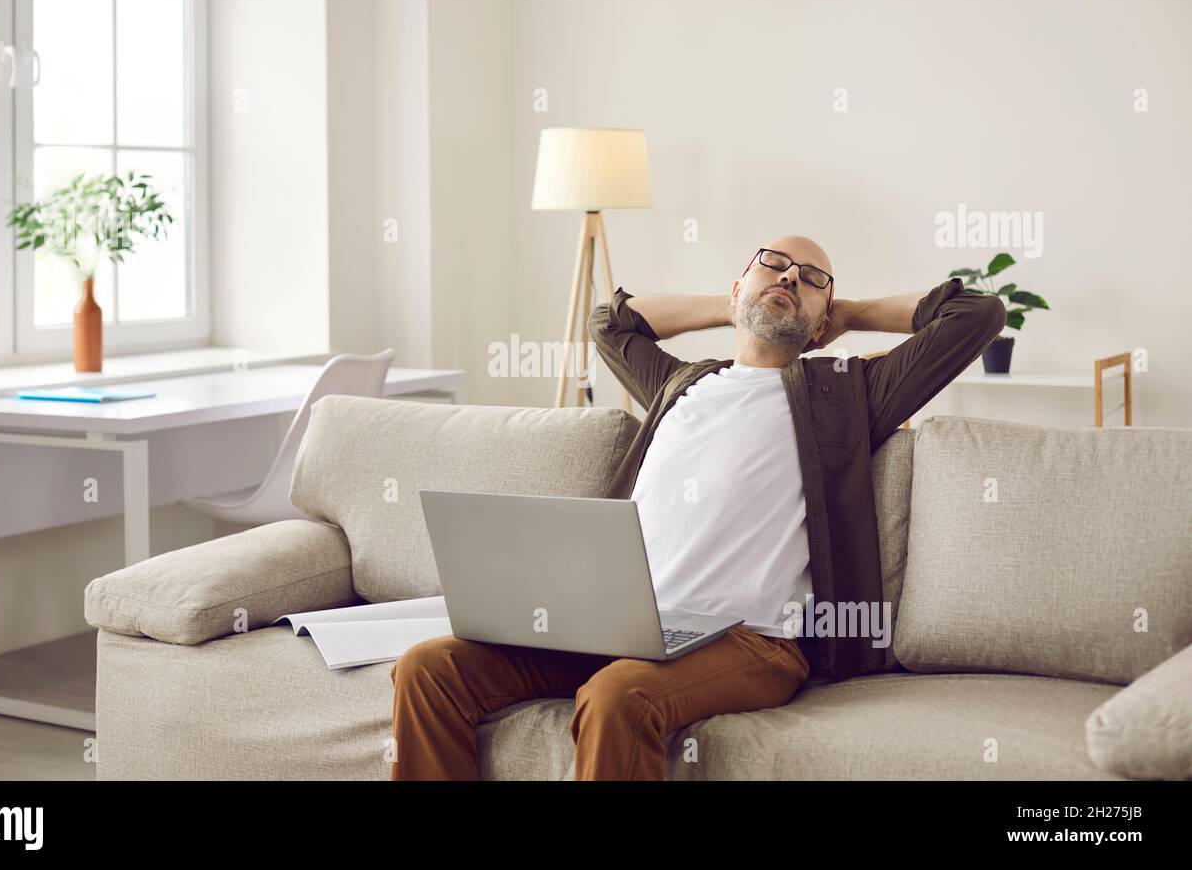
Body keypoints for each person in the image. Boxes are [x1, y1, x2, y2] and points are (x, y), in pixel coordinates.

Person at [389, 235, 1006, 780]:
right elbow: (610, 322)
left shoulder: (848, 392)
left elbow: (977, 313)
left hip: (751, 641)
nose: (791, 277)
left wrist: (848, 315)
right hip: (618, 626)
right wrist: (734, 303)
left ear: (823, 323)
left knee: (616, 698)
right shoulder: (679, 385)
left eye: (814, 277)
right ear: (740, 283)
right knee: (427, 669)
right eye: (775, 265)